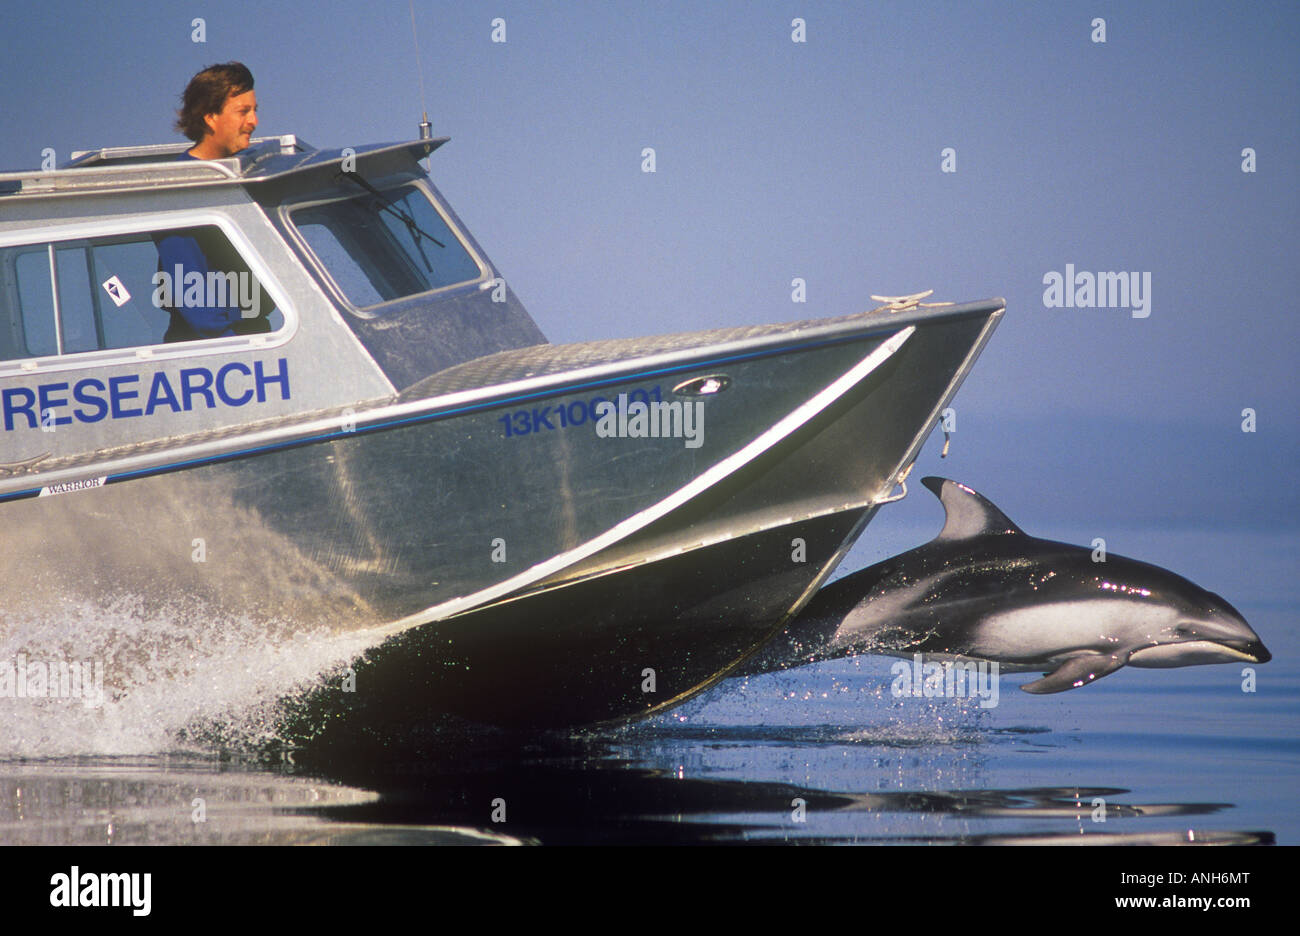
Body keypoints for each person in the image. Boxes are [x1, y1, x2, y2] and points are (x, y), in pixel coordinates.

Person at [157, 62, 270, 340]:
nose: (254, 122)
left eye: (255, 111)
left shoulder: (248, 172)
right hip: (213, 348)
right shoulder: (180, 188)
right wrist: (229, 343)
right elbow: (188, 285)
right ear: (210, 117)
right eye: (243, 112)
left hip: (253, 330)